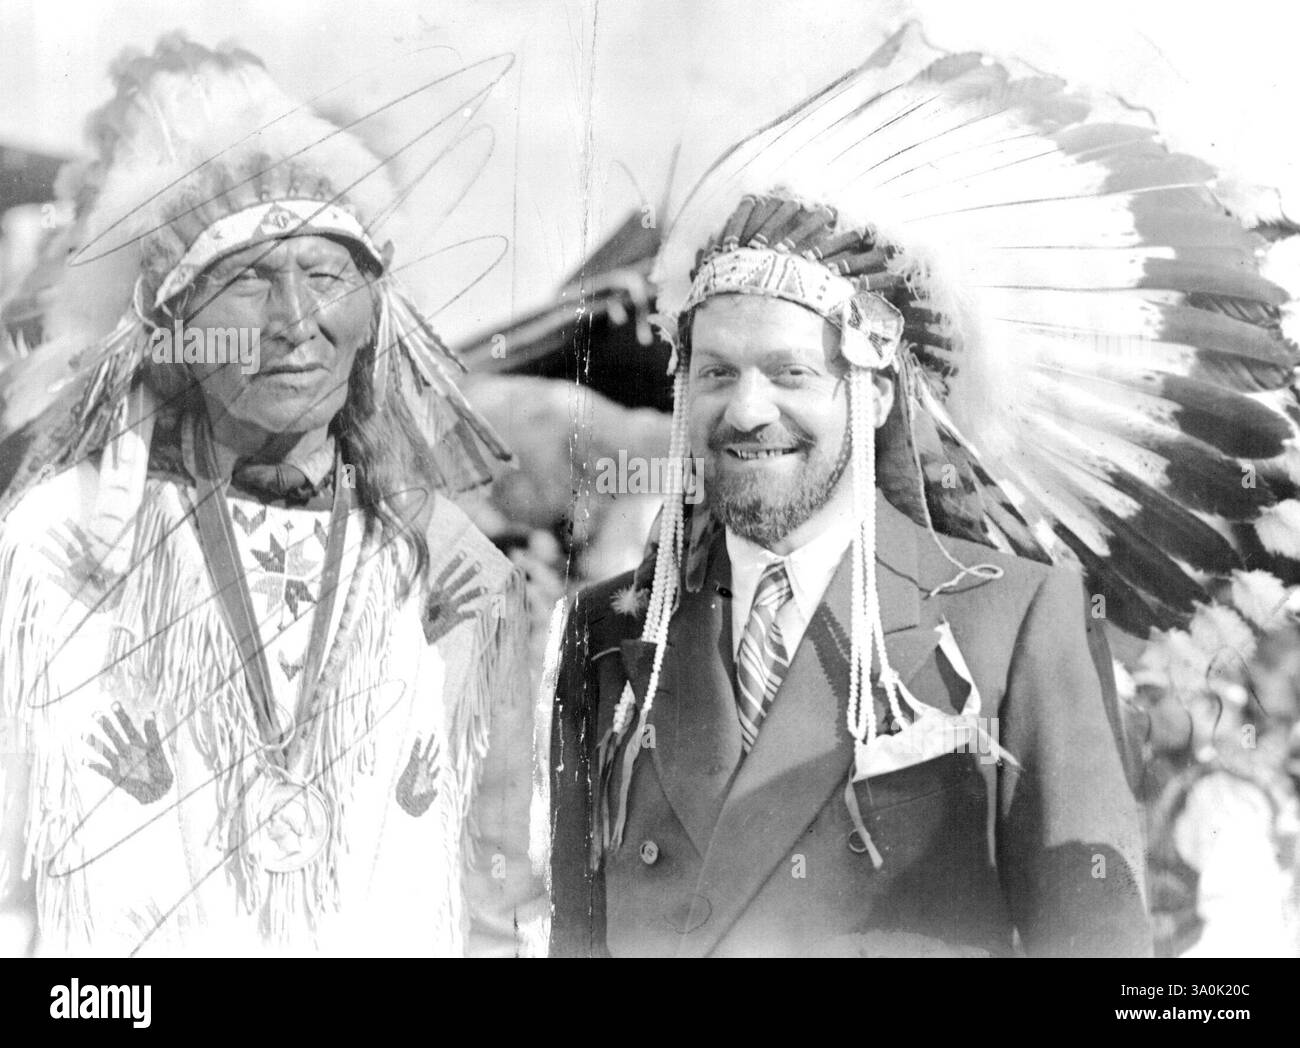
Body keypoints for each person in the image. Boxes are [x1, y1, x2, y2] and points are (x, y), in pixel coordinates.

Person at [549, 26, 1298, 957]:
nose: (746, 411)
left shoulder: (1011, 623)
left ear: (871, 395)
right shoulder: (615, 634)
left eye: (790, 373)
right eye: (715, 373)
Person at [0, 35, 540, 957]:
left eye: (326, 275)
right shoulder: (63, 546)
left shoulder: (452, 572)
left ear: (374, 313)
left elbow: (495, 881)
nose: (294, 323)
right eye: (249, 280)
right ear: (172, 325)